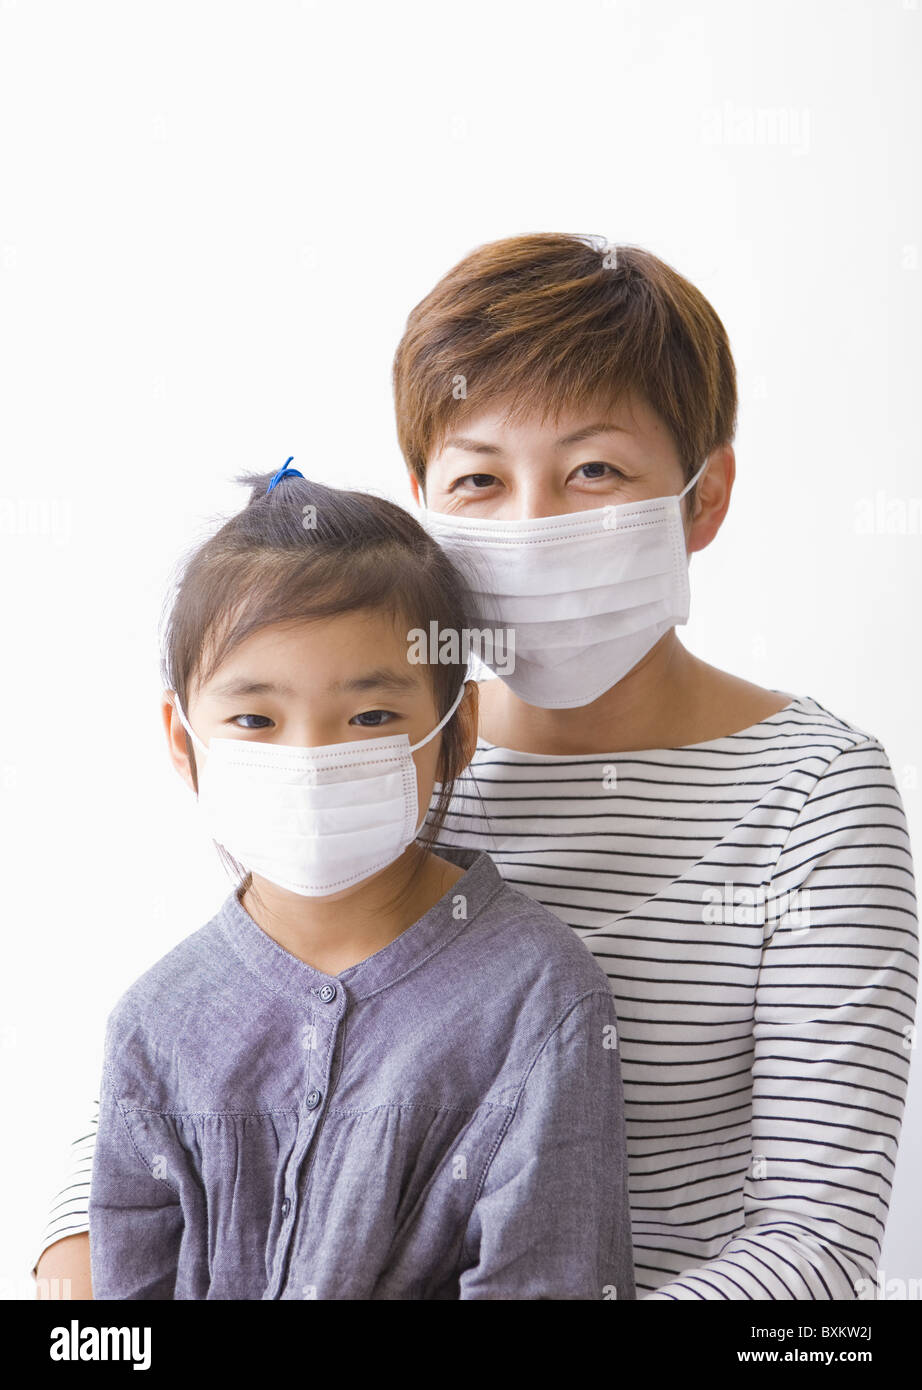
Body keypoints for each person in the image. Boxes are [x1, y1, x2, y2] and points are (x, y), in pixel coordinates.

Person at [34, 235, 918, 1300]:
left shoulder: (813, 797)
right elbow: (216, 1043)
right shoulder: (368, 752)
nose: (533, 520)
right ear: (425, 504)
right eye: (480, 477)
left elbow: (815, 1253)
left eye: (594, 469)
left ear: (703, 495)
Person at [81, 466, 635, 1300]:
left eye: (372, 716)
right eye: (255, 719)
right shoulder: (155, 1023)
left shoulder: (538, 999)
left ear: (458, 730)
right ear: (182, 735)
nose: (311, 756)